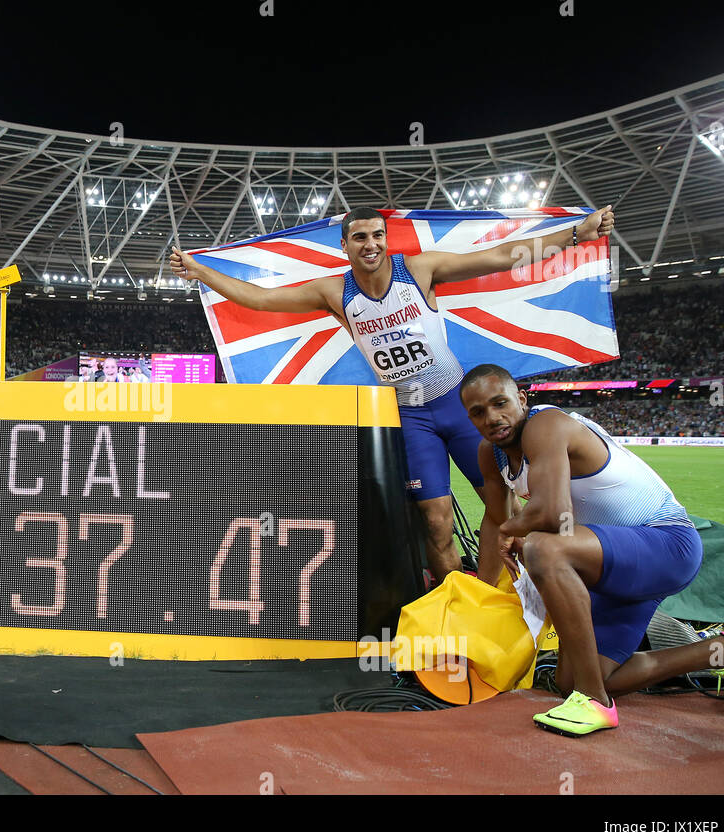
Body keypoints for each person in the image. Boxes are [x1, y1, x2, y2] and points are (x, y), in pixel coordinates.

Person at [171, 205, 615, 585]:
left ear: (386, 239)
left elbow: (499, 256)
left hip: (458, 405)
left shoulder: (418, 269)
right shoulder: (333, 291)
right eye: (360, 237)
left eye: (378, 235)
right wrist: (202, 272)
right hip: (411, 415)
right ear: (344, 245)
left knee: (501, 507)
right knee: (436, 520)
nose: (371, 244)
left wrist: (577, 234)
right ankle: (458, 605)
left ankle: (516, 595)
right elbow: (261, 299)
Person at [459, 363, 724, 735]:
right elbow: (493, 522)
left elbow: (555, 514)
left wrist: (512, 531)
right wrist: (483, 596)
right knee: (574, 677)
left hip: (667, 543)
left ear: (521, 399)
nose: (492, 417)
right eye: (478, 412)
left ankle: (595, 703)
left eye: (499, 403)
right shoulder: (491, 454)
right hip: (616, 565)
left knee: (542, 548)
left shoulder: (546, 424)